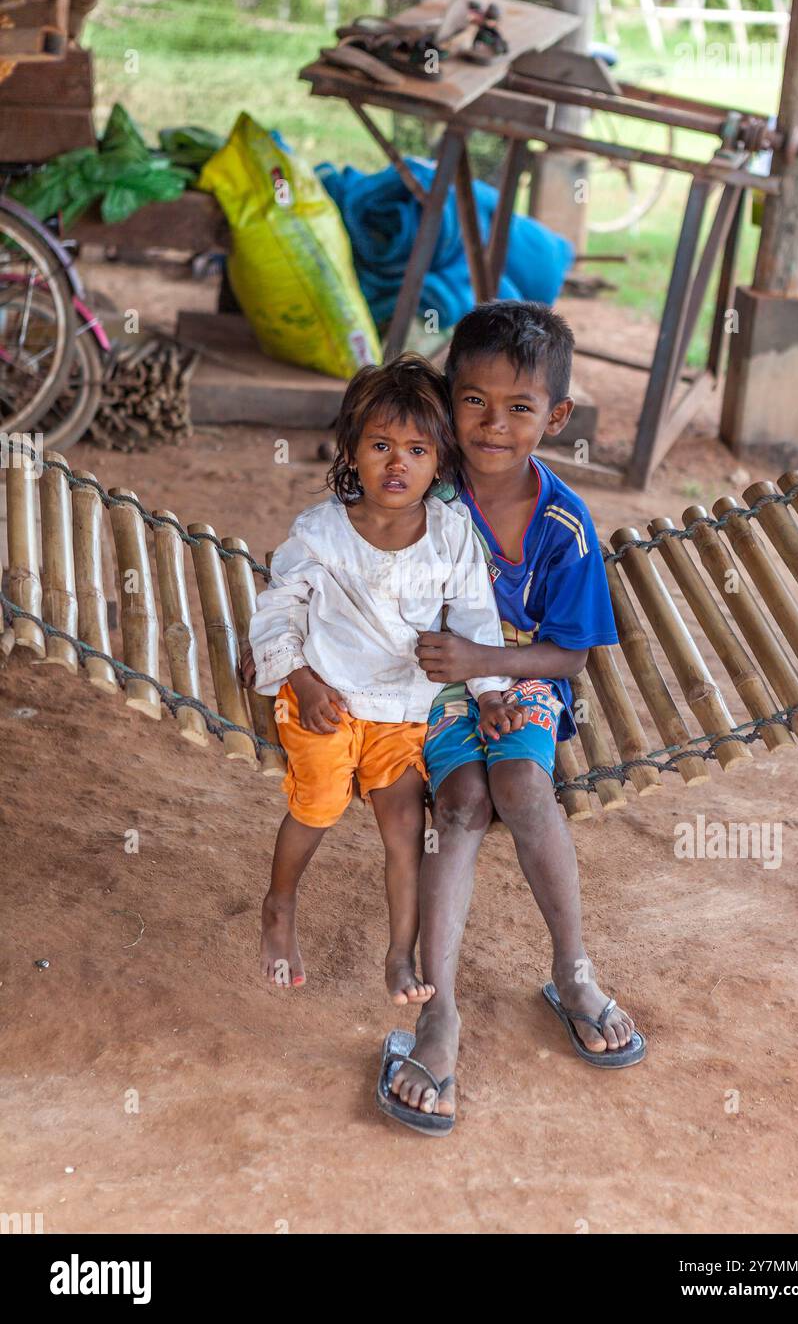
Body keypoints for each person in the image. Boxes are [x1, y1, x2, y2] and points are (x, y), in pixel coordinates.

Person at [381, 301, 646, 1135]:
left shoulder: (563, 526)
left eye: (520, 407)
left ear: (557, 417)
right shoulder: (425, 488)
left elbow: (569, 656)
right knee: (460, 803)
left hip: (521, 670)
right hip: (428, 677)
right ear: (446, 395)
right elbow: (362, 573)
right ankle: (440, 1015)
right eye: (474, 401)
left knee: (525, 786)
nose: (493, 425)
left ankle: (572, 972)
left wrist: (487, 666)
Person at [241, 353, 525, 1009]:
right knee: (318, 804)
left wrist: (488, 693)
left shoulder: (451, 534)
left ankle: (400, 954)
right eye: (380, 445)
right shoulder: (322, 533)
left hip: (401, 710)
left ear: (440, 461)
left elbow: (477, 618)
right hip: (327, 699)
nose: (398, 464)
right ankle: (280, 904)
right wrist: (303, 680)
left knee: (406, 829)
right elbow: (279, 612)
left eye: (417, 450)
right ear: (351, 450)